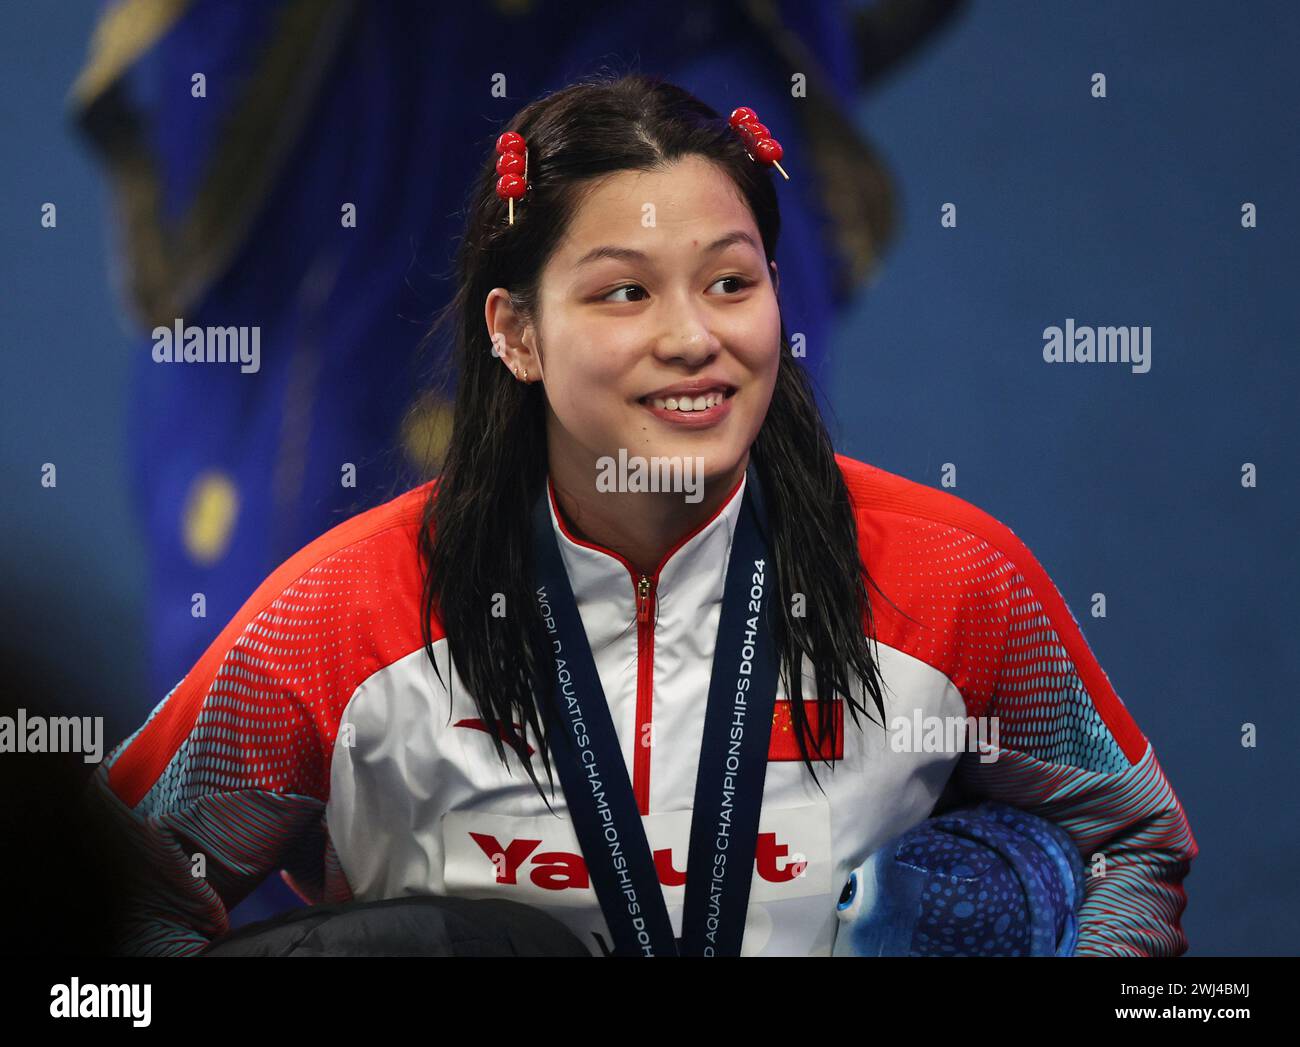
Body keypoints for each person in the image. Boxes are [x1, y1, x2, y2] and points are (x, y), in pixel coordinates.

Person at [86, 73, 1197, 958]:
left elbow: (1131, 849)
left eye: (730, 281)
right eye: (624, 291)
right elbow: (105, 915)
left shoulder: (954, 577)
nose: (692, 337)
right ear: (514, 333)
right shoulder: (337, 614)